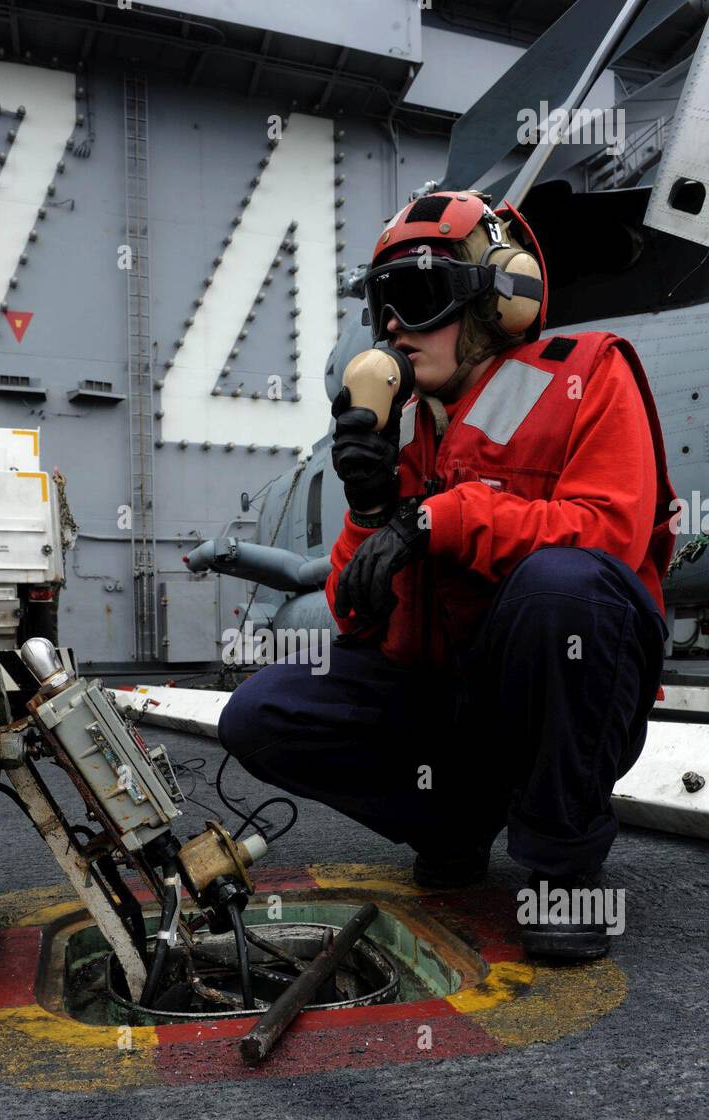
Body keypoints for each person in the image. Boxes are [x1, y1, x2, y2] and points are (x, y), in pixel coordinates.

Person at [218, 189, 675, 960]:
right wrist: (370, 509)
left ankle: (561, 867)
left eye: (418, 297)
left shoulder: (588, 373)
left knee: (561, 586)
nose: (394, 326)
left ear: (499, 299)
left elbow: (609, 537)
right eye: (382, 306)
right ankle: (452, 824)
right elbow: (358, 621)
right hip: (445, 694)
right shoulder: (405, 430)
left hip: (559, 686)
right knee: (262, 713)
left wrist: (443, 519)